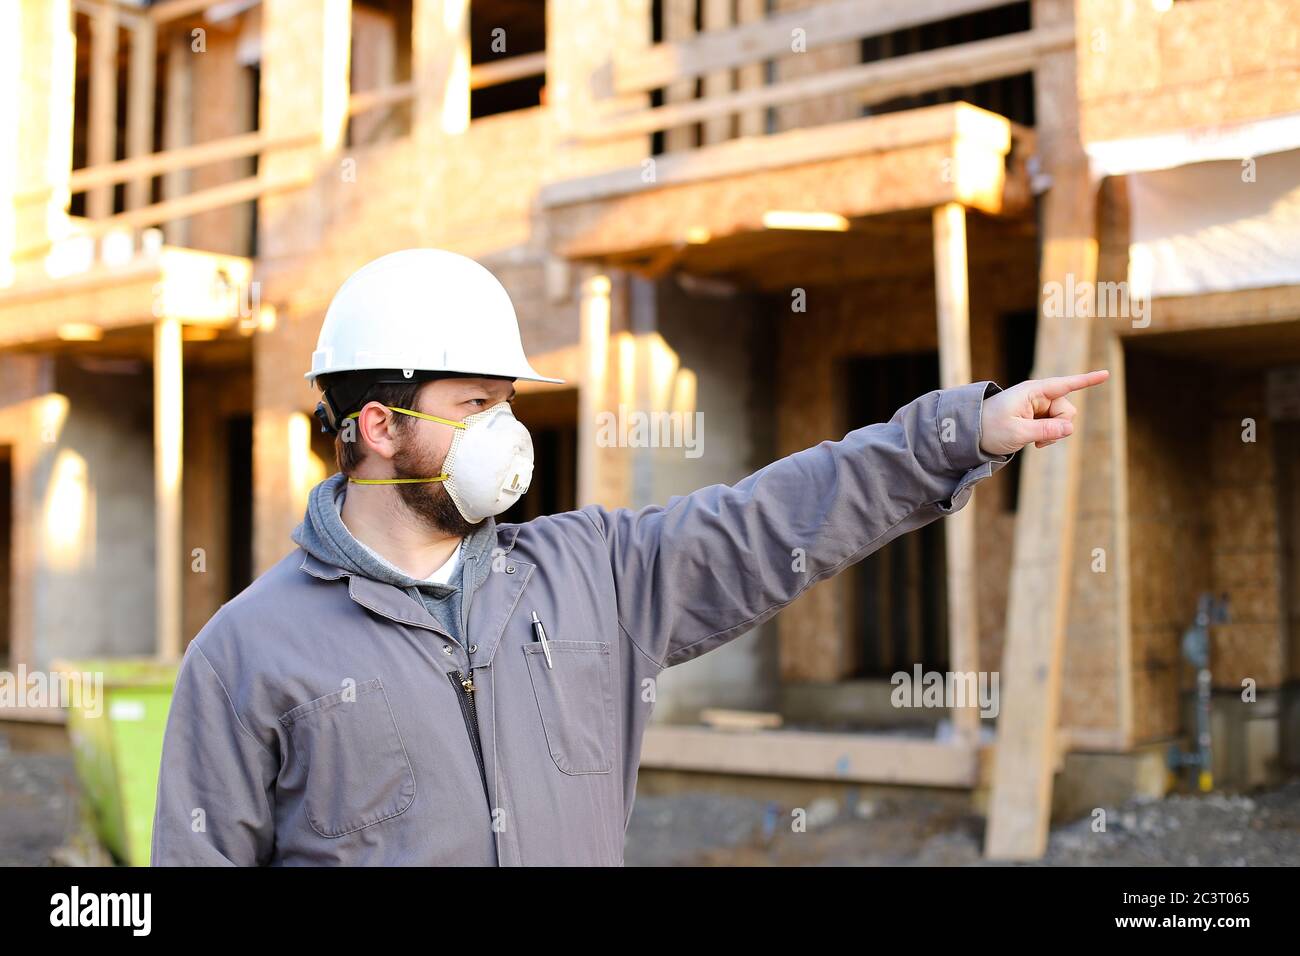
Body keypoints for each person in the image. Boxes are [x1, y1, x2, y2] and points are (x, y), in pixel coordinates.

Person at [150, 248, 1108, 865]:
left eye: (509, 401)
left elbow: (770, 523)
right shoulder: (247, 655)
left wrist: (953, 436)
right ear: (378, 427)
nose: (509, 431)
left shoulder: (592, 576)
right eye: (476, 405)